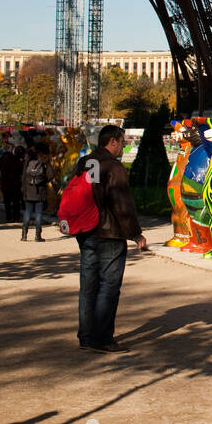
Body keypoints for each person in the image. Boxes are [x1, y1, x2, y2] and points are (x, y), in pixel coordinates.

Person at [77, 124, 147, 354]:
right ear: (112, 141)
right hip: (109, 233)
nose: (124, 145)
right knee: (108, 286)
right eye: (122, 141)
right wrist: (135, 233)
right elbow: (121, 204)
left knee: (88, 285)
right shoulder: (114, 168)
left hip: (86, 230)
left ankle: (87, 336)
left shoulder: (86, 163)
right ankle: (103, 338)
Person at [21, 144, 51, 241]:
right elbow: (50, 176)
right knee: (38, 213)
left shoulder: (28, 160)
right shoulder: (44, 160)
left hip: (28, 190)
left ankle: (24, 235)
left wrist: (24, 188)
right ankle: (38, 235)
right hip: (40, 191)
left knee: (28, 211)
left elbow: (24, 176)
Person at [0, 144, 23, 222]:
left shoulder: (0, 160)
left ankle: (8, 217)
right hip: (15, 183)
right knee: (16, 201)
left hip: (5, 183)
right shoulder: (16, 160)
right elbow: (20, 170)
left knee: (7, 202)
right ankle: (16, 216)